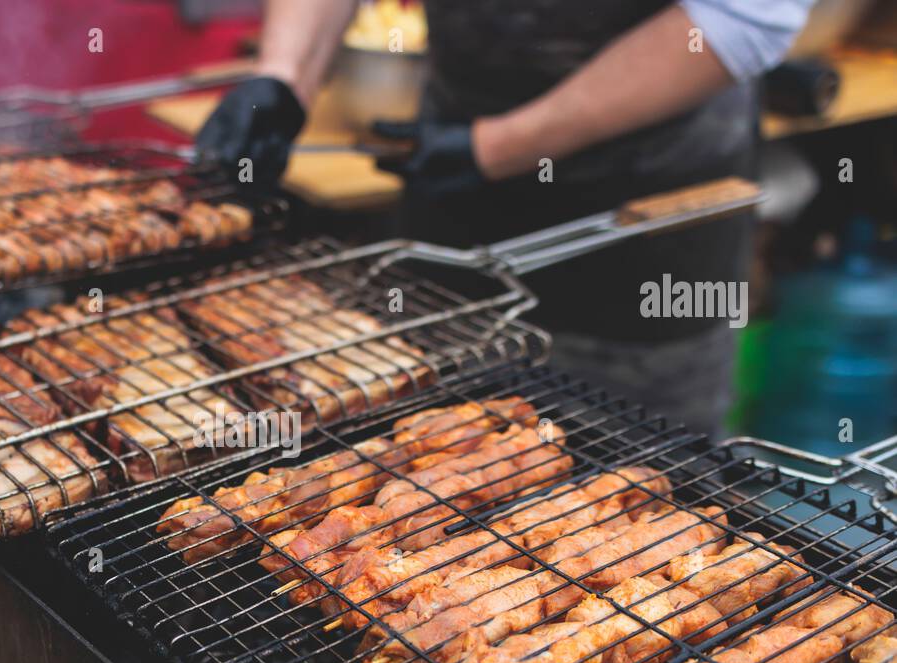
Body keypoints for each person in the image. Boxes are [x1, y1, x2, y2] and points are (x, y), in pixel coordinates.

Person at [196, 0, 816, 437]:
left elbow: (740, 17)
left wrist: (496, 147)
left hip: (654, 218)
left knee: (648, 494)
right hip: (454, 191)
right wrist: (284, 76)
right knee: (413, 440)